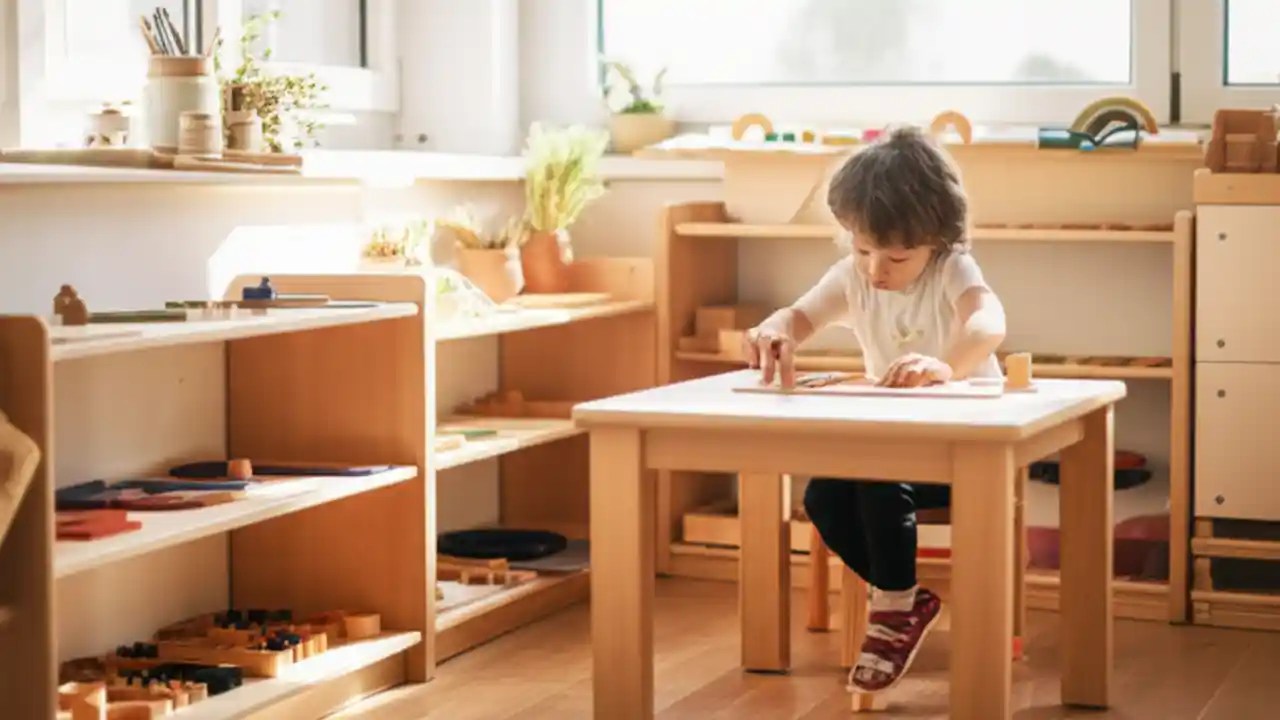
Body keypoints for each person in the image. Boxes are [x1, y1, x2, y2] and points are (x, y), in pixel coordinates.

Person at [741, 125, 1007, 693]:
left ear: (937, 241)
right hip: (890, 456)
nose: (875, 269)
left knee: (876, 476)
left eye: (896, 256)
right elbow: (799, 317)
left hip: (968, 456)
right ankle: (904, 602)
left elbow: (989, 323)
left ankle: (891, 610)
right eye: (862, 249)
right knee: (822, 494)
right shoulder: (854, 278)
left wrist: (944, 367)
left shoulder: (951, 270)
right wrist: (773, 328)